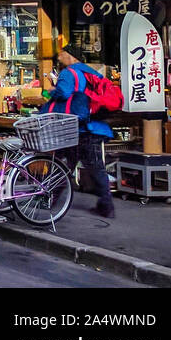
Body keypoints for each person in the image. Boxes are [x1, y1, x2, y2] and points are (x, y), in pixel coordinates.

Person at [43, 44, 115, 218]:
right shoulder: (91, 72)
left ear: (70, 56)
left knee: (63, 164)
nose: (59, 57)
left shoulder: (69, 73)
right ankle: (106, 205)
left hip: (75, 127)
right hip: (94, 126)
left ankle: (49, 198)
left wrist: (51, 91)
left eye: (61, 54)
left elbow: (65, 93)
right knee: (94, 166)